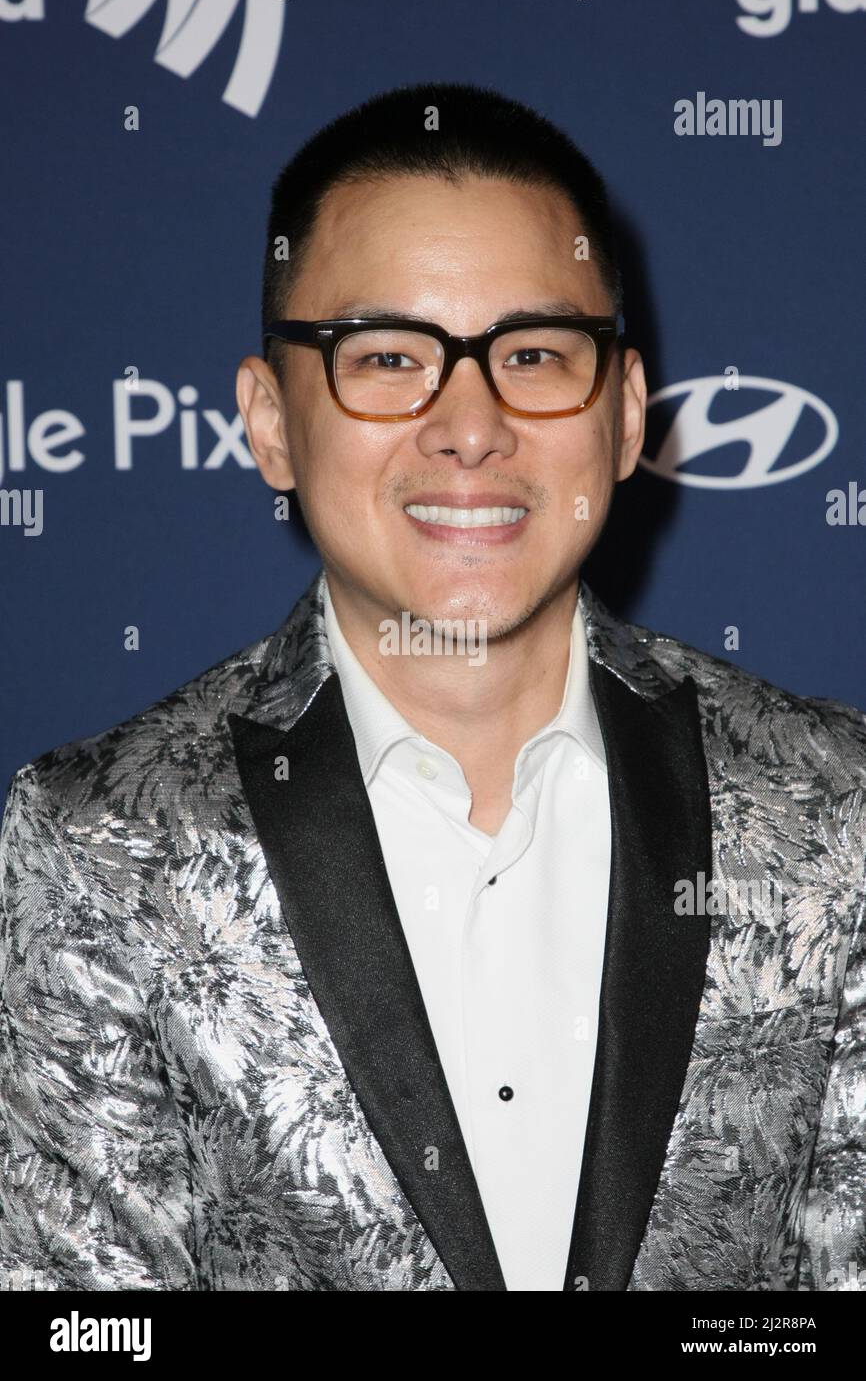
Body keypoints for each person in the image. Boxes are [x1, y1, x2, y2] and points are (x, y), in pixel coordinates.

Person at [0, 82, 863, 1293]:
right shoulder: (104, 841)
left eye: (531, 354)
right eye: (388, 356)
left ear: (621, 417)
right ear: (270, 425)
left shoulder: (834, 807)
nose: (469, 424)